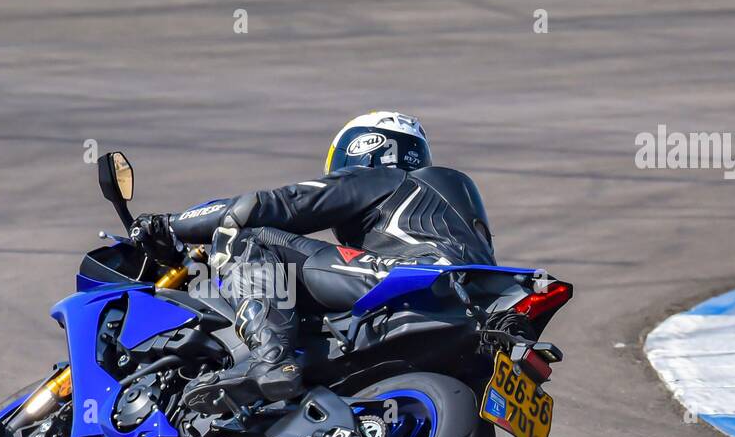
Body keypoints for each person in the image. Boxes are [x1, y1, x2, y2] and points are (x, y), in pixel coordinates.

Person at [131, 111, 496, 411]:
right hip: (478, 313)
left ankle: (272, 358)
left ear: (361, 152)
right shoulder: (449, 203)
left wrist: (169, 225)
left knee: (252, 237)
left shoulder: (386, 177)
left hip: (413, 277)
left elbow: (273, 205)